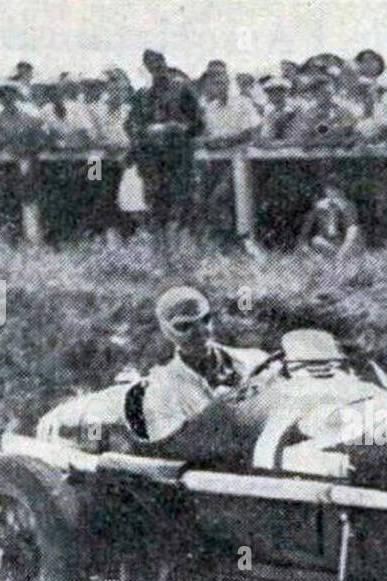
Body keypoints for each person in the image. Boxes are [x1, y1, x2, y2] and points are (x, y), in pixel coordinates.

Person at [133, 287, 249, 443]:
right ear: (167, 331)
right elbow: (175, 449)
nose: (201, 332)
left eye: (205, 319)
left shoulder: (250, 360)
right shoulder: (161, 391)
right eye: (185, 326)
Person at [125, 49, 204, 266]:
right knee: (155, 209)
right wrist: (145, 132)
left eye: (157, 62)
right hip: (151, 160)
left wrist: (175, 128)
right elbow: (131, 125)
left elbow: (198, 124)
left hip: (178, 158)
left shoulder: (183, 89)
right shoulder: (143, 95)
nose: (155, 67)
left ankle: (178, 257)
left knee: (179, 207)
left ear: (164, 62)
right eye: (149, 64)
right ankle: (159, 259)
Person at [297, 177, 361, 259]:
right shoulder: (319, 207)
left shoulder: (347, 207)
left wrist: (345, 248)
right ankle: (329, 259)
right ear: (326, 191)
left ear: (341, 192)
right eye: (330, 190)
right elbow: (307, 227)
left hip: (343, 243)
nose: (333, 193)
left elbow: (352, 229)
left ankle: (340, 257)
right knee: (316, 241)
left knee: (354, 233)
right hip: (326, 242)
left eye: (335, 190)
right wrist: (303, 243)